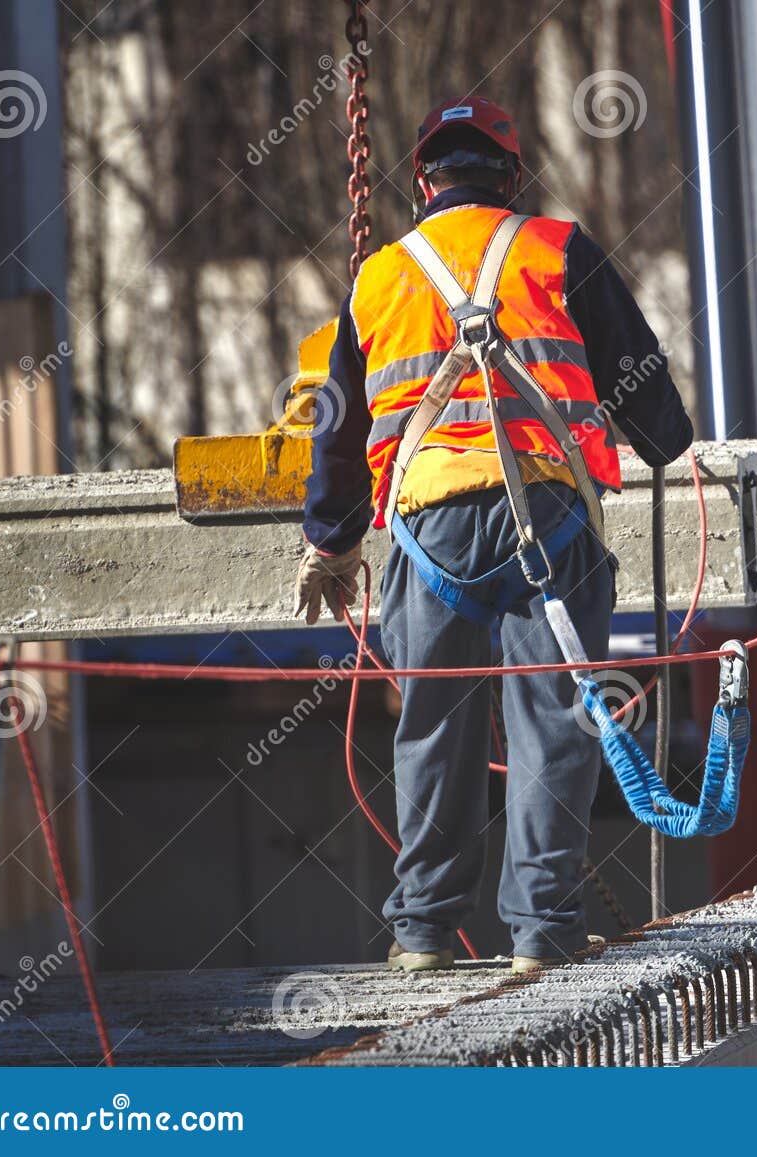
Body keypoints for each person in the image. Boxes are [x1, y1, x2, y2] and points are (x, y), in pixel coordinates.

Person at [294, 95, 693, 973]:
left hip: (429, 530)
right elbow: (649, 401)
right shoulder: (558, 250)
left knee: (433, 724)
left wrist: (331, 538)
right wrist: (666, 436)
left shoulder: (382, 278)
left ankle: (424, 933)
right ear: (512, 177)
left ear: (421, 183)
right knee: (553, 722)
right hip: (548, 523)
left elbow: (336, 424)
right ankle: (543, 936)